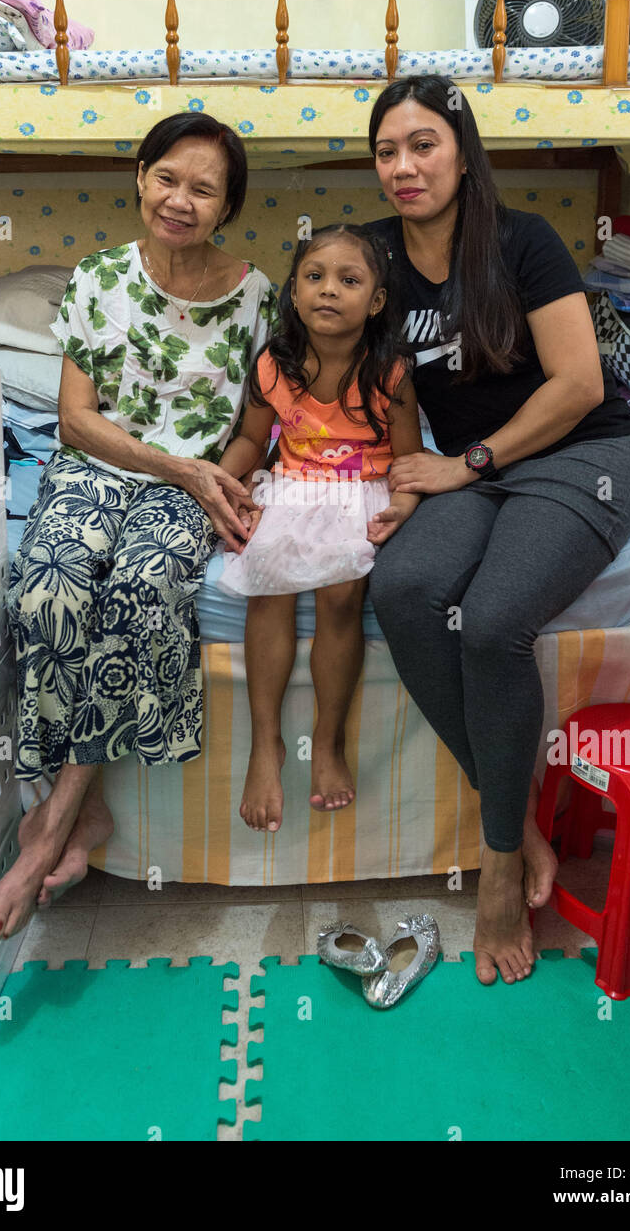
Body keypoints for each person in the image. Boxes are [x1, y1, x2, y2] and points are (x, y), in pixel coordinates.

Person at [363, 75, 630, 988]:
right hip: (468, 467)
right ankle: (516, 822)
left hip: (576, 455)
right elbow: (324, 345)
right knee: (405, 591)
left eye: (422, 146)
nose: (403, 167)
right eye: (385, 152)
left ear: (461, 149)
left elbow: (578, 384)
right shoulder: (373, 253)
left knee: (490, 623)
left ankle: (493, 870)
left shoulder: (521, 241)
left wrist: (468, 464)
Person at [0, 112, 277, 940]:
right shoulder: (97, 278)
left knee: (144, 588)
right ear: (141, 177)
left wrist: (223, 475)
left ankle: (54, 824)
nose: (179, 200)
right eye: (167, 178)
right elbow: (75, 420)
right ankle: (91, 812)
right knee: (45, 585)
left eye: (203, 190)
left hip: (194, 485)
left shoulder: (257, 294)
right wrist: (180, 464)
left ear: (227, 207)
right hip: (105, 465)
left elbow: (256, 426)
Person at [216, 224, 422, 832]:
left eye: (349, 280)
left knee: (339, 594)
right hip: (292, 487)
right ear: (295, 292)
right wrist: (222, 487)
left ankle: (327, 743)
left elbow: (408, 461)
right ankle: (265, 745)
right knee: (268, 586)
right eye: (315, 277)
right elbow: (254, 440)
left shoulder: (390, 372)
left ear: (376, 302)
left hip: (361, 490)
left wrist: (405, 503)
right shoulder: (274, 365)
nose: (329, 290)